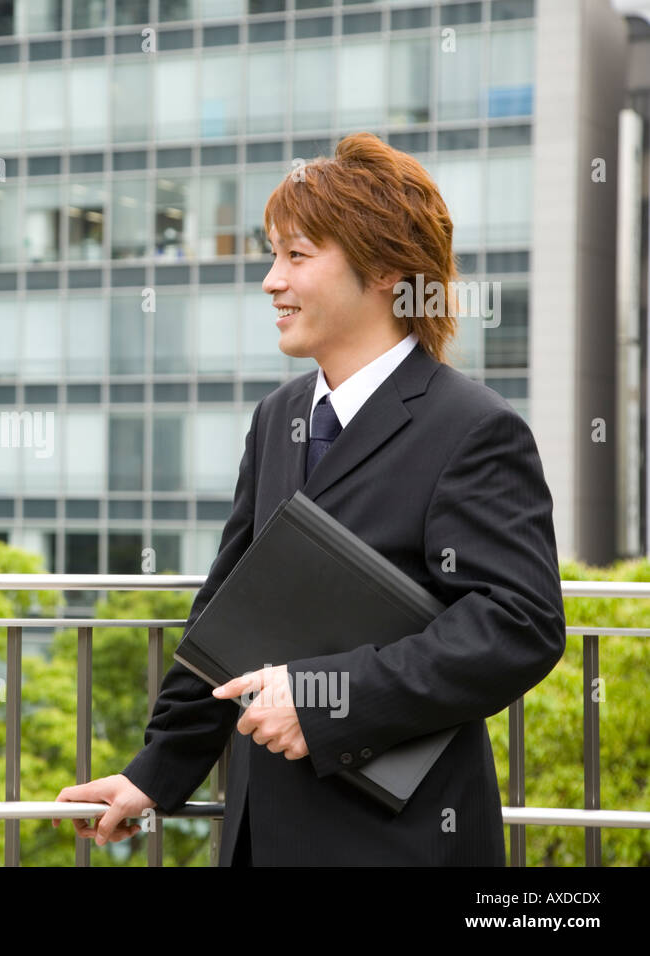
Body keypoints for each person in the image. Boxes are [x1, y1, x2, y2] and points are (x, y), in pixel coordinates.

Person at [56, 133, 566, 865]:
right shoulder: (278, 416)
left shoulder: (474, 427)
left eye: (296, 256)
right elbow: (229, 612)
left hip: (404, 838)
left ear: (387, 268)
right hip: (263, 829)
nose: (271, 280)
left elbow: (520, 624)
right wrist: (156, 773)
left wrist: (327, 697)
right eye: (274, 255)